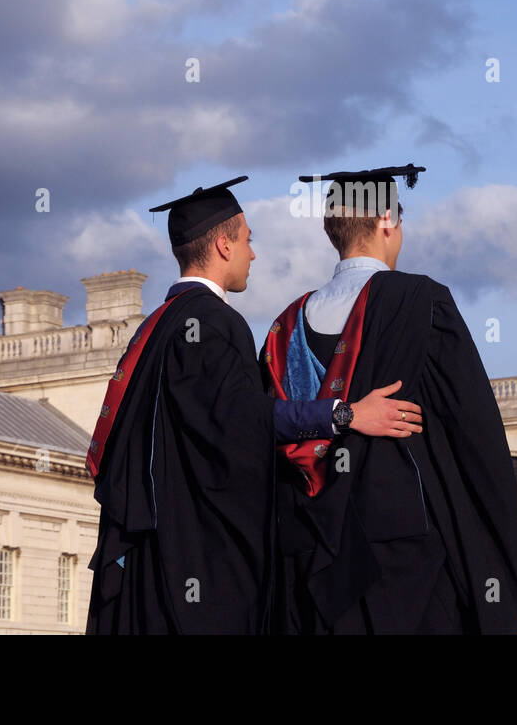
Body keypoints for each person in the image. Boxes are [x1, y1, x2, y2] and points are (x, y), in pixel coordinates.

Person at [85, 176, 421, 634]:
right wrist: (346, 414)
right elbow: (246, 422)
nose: (253, 253)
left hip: (147, 555)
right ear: (224, 245)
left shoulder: (154, 329)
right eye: (248, 240)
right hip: (198, 560)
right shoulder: (214, 322)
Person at [262, 164, 517, 634]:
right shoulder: (421, 302)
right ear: (387, 221)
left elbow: (262, 425)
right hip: (406, 554)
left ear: (333, 229)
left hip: (310, 552)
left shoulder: (284, 326)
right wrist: (497, 533)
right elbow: (474, 432)